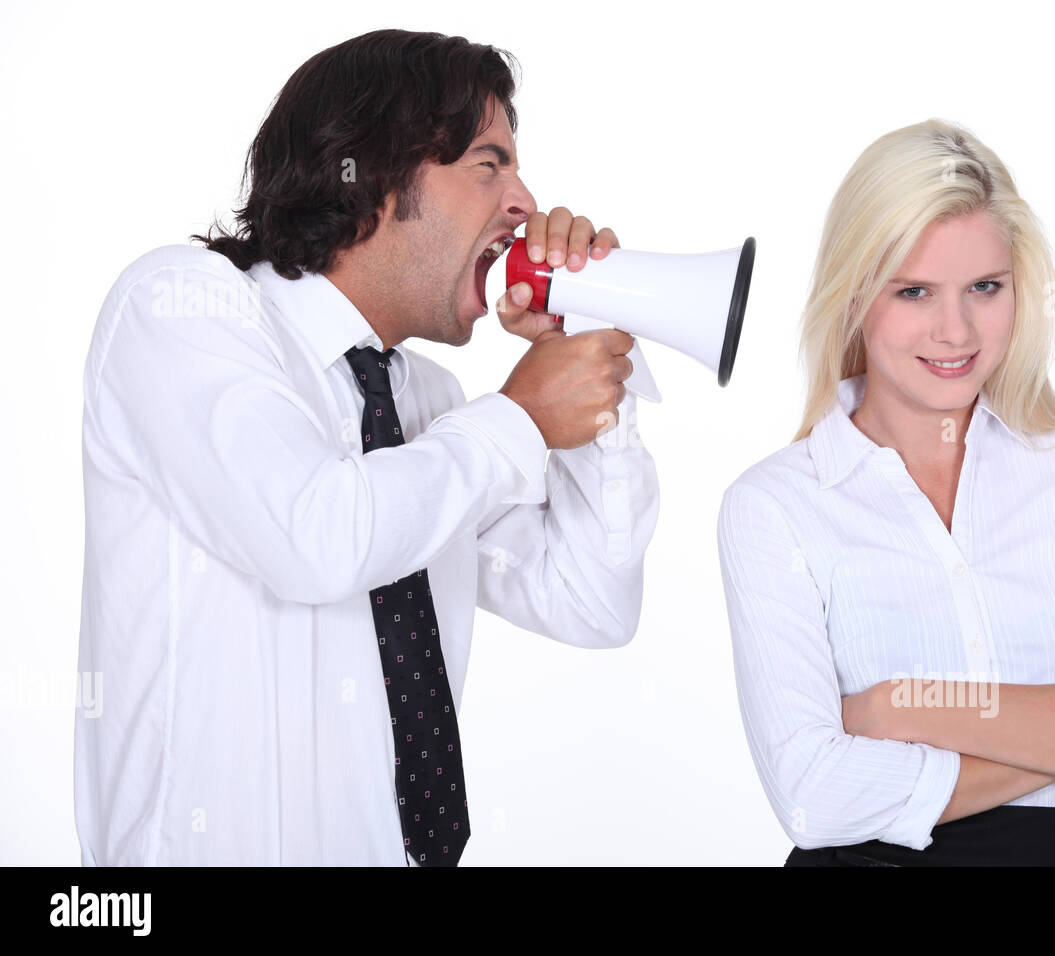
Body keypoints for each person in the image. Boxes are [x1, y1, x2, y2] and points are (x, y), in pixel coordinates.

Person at [75, 29, 659, 866]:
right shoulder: (180, 309)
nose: (525, 200)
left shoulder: (430, 405)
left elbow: (592, 602)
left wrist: (591, 346)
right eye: (489, 164)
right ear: (377, 177)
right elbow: (315, 538)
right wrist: (523, 417)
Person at [715, 119, 1055, 866]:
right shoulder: (776, 505)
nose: (955, 331)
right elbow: (813, 795)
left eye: (985, 288)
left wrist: (900, 708)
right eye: (914, 291)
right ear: (854, 296)